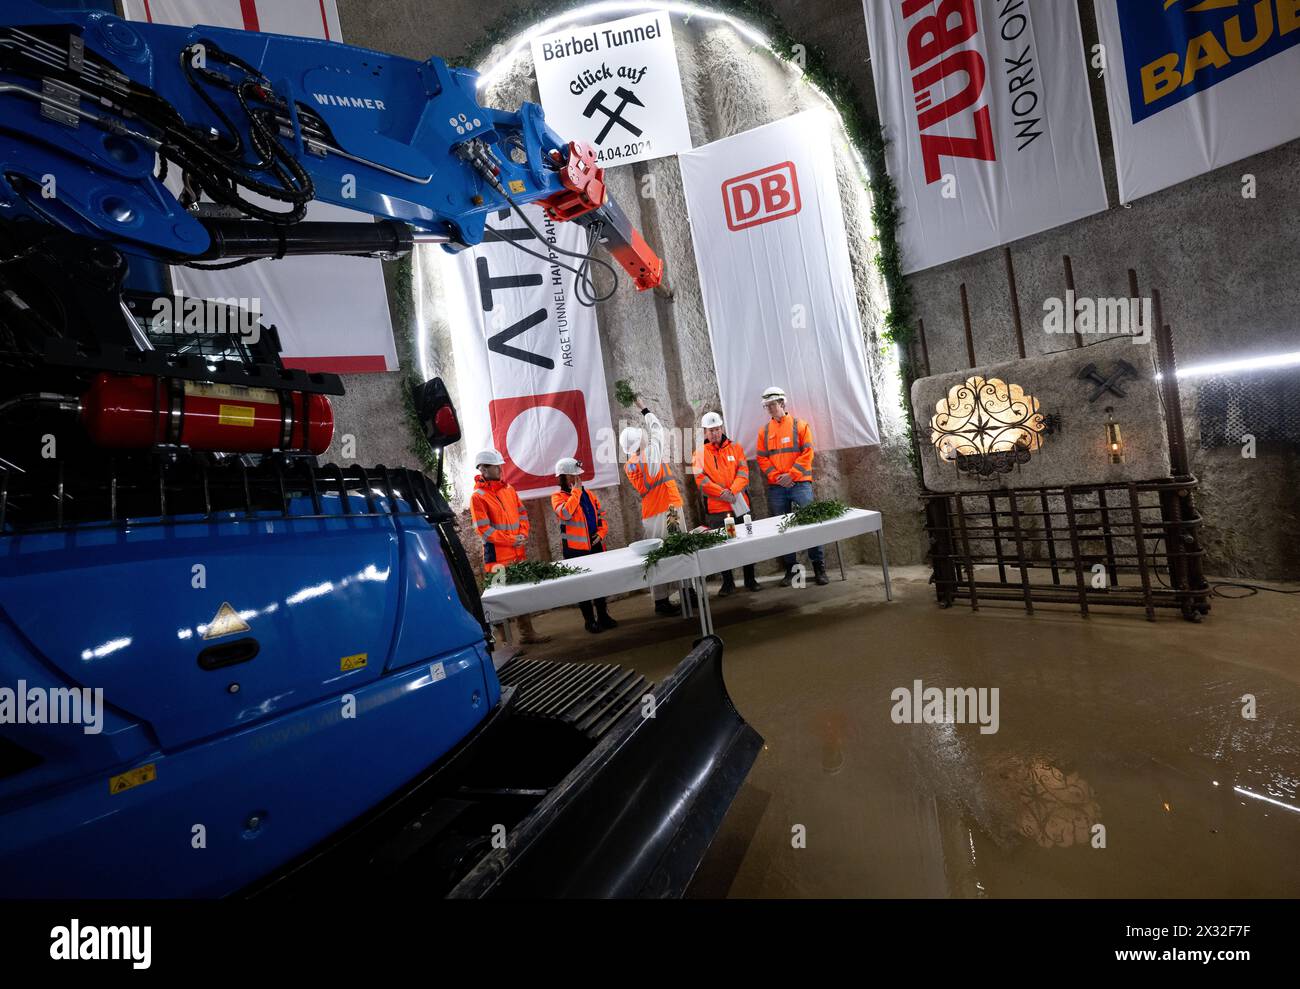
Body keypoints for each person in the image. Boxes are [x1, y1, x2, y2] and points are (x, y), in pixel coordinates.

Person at [470, 449, 551, 644]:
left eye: (499, 465)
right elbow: (484, 530)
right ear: (483, 469)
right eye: (496, 466)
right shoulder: (478, 497)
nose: (500, 469)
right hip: (497, 558)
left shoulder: (509, 489)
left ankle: (527, 634)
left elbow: (522, 513)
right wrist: (511, 540)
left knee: (520, 595)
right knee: (499, 599)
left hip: (517, 553)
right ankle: (507, 643)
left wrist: (522, 534)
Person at [756, 385, 830, 586]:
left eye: (772, 405)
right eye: (767, 406)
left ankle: (819, 567)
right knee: (782, 527)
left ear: (782, 403)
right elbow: (762, 459)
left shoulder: (800, 425)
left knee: (811, 523)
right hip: (777, 487)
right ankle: (791, 571)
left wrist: (792, 475)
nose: (769, 409)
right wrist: (777, 476)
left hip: (800, 484)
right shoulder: (764, 432)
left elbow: (808, 453)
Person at [620, 396, 687, 617]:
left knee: (658, 555)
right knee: (677, 550)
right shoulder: (649, 455)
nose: (645, 438)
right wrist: (644, 409)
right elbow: (658, 430)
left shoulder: (631, 464)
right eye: (642, 438)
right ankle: (685, 593)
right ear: (638, 443)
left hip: (653, 512)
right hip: (668, 511)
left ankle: (662, 600)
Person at [692, 410, 761, 595]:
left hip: (739, 505)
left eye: (717, 429)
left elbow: (744, 472)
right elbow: (700, 480)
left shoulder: (736, 448)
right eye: (710, 430)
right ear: (704, 432)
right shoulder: (699, 454)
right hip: (717, 509)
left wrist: (733, 490)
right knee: (722, 546)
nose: (714, 433)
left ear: (722, 428)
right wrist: (722, 493)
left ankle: (750, 579)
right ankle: (728, 583)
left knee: (746, 543)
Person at [550, 457, 618, 634]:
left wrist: (601, 533)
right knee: (582, 586)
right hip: (574, 551)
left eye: (579, 476)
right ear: (564, 477)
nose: (579, 479)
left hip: (595, 546)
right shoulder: (557, 497)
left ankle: (603, 615)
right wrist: (576, 493)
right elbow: (565, 513)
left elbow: (601, 515)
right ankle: (589, 621)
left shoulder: (589, 494)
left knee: (599, 582)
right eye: (574, 476)